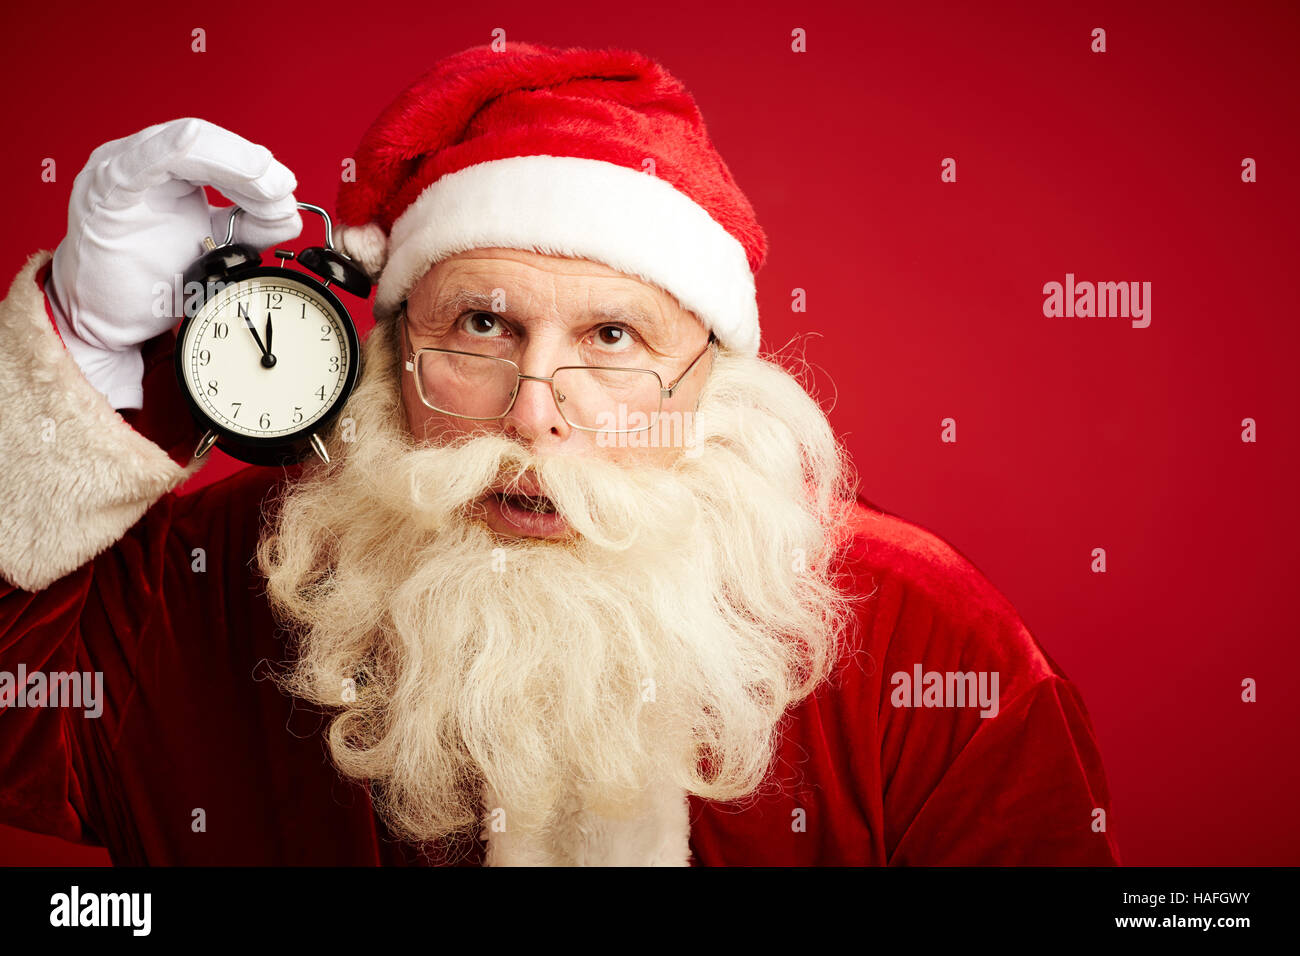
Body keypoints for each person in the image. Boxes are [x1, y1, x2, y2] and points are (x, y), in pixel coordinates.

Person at [0, 42, 1120, 866]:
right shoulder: (208, 580)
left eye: (613, 338)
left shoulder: (920, 632)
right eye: (482, 327)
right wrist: (89, 354)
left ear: (714, 381)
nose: (535, 414)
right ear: (390, 350)